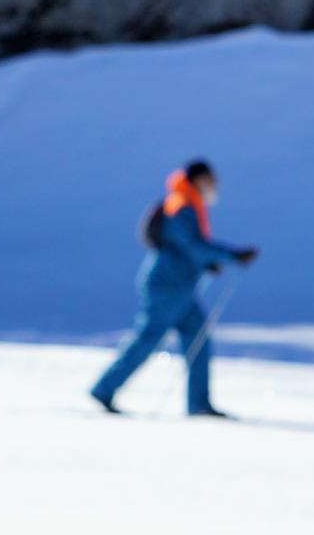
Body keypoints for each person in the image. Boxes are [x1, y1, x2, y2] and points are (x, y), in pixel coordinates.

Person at [90, 160, 258, 417]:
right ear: (199, 180)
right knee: (147, 340)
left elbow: (187, 248)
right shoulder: (181, 206)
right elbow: (191, 245)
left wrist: (212, 261)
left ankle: (199, 404)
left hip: (181, 288)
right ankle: (104, 388)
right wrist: (230, 256)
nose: (214, 186)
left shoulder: (187, 204)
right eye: (210, 180)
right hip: (166, 287)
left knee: (198, 340)